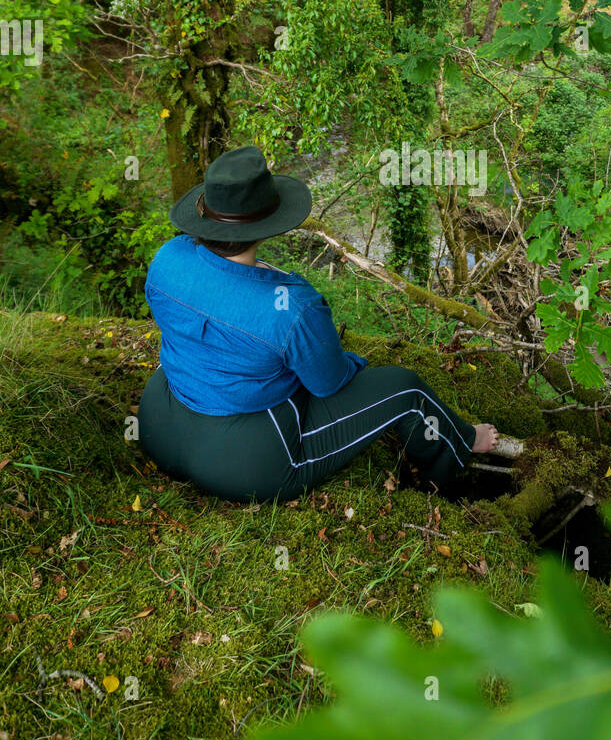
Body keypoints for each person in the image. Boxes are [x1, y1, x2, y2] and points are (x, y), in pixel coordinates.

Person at [138, 145, 499, 502]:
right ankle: (455, 459)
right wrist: (352, 362)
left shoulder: (168, 257)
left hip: (159, 424)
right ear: (266, 225)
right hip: (246, 463)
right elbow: (329, 383)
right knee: (407, 390)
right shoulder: (294, 305)